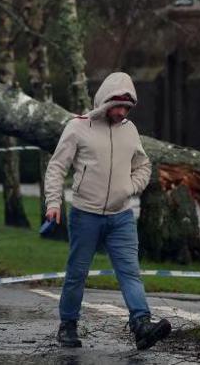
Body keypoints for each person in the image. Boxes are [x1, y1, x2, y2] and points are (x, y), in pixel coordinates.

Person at [44, 72, 172, 351]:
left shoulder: (129, 129)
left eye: (127, 108)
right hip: (84, 215)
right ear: (105, 101)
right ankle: (68, 326)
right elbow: (56, 168)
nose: (122, 112)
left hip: (121, 217)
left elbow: (144, 166)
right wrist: (53, 203)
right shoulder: (78, 127)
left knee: (130, 273)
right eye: (118, 106)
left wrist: (130, 187)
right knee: (77, 273)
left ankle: (142, 325)